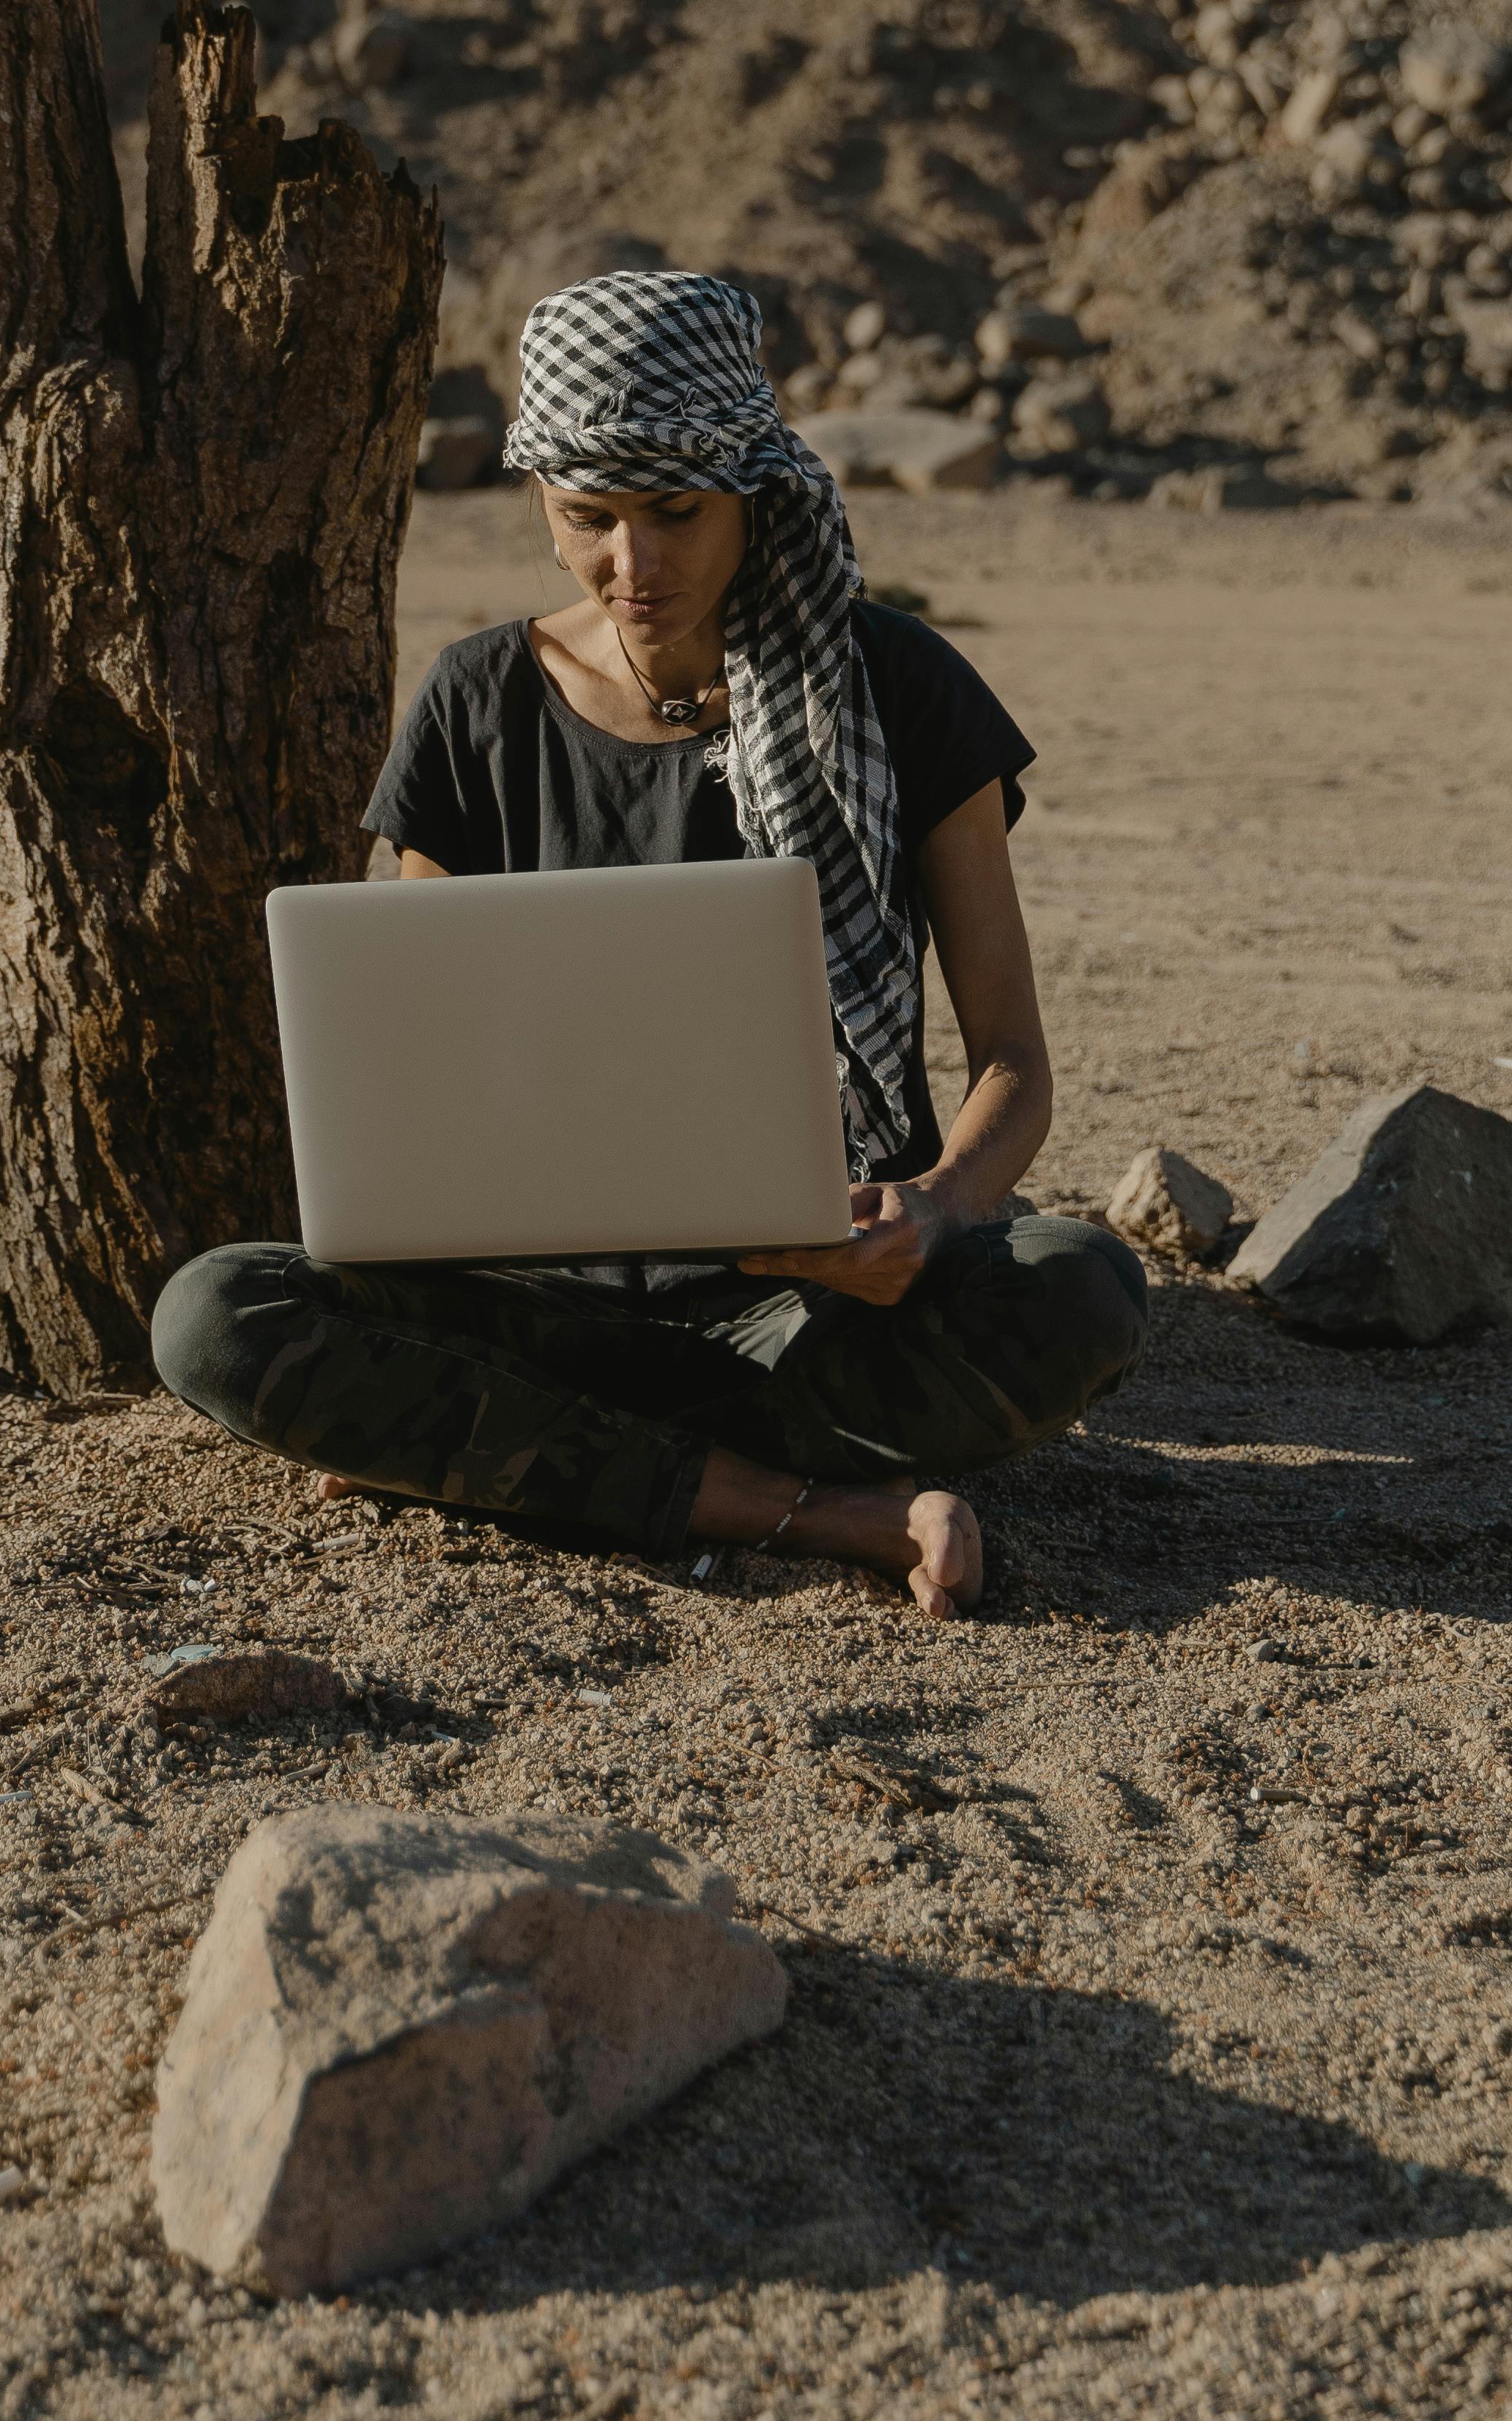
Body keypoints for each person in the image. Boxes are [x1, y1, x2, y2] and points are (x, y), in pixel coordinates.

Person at [151, 267, 1146, 1620]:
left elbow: (1015, 1061)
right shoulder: (473, 704)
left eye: (677, 513)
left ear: (755, 484)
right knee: (215, 1314)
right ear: (540, 506)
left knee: (1079, 1283)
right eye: (589, 519)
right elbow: (426, 1085)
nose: (636, 566)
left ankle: (516, 1458)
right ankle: (815, 1510)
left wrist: (938, 1210)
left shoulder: (903, 688)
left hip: (816, 1313)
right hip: (538, 1308)